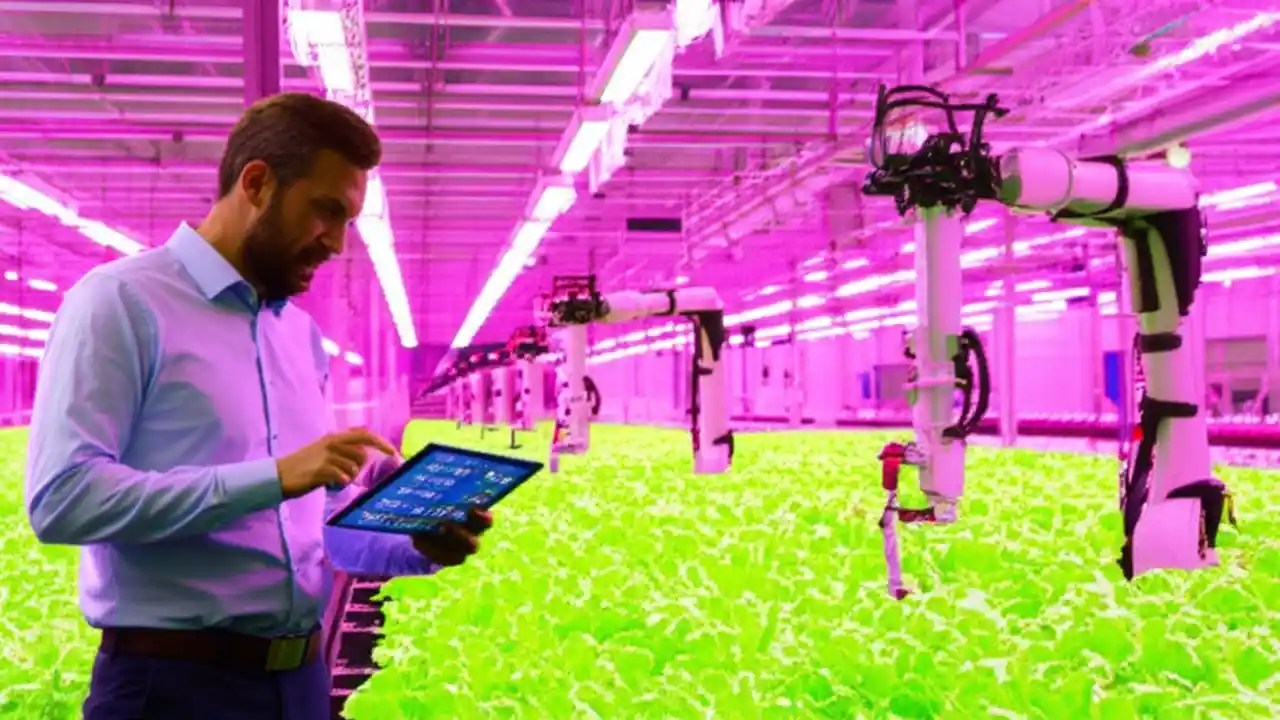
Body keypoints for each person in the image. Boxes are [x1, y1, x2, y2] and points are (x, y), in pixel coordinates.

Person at [24, 92, 490, 720]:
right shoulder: (120, 302)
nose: (337, 243)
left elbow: (318, 533)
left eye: (349, 220)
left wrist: (417, 547)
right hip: (171, 688)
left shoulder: (298, 338)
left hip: (299, 682)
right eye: (326, 212)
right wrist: (273, 478)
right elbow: (62, 499)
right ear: (258, 182)